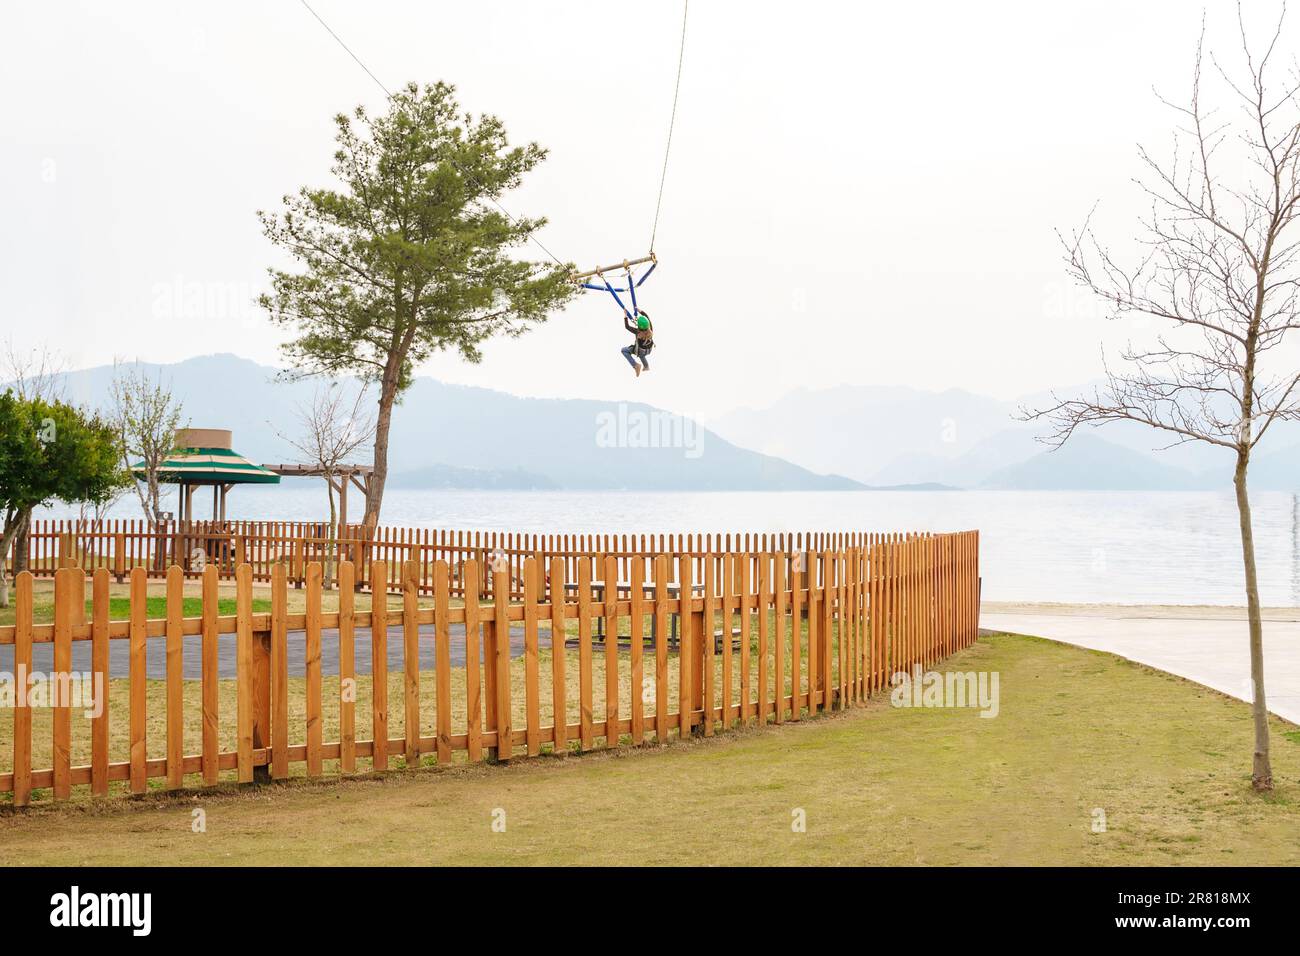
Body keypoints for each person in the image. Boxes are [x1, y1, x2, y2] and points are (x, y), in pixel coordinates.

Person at [621, 310, 654, 377]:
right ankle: (646, 366)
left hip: (639, 351)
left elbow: (627, 327)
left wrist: (625, 316)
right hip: (648, 350)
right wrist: (639, 310)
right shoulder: (650, 329)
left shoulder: (638, 332)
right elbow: (647, 317)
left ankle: (636, 365)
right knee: (642, 355)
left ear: (639, 327)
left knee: (624, 350)